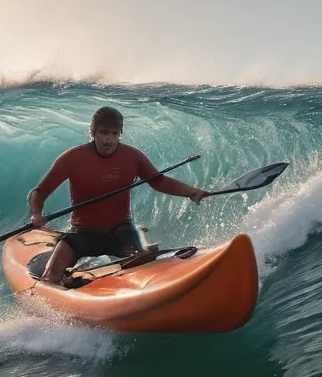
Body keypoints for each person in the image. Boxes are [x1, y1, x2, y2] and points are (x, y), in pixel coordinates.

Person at [27, 106, 210, 285]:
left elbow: (159, 181)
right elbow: (39, 192)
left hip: (121, 232)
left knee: (140, 263)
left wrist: (192, 192)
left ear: (120, 133)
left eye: (115, 134)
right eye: (104, 132)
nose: (109, 140)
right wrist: (37, 214)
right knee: (51, 275)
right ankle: (69, 282)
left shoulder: (132, 157)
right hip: (83, 233)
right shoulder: (73, 158)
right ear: (92, 132)